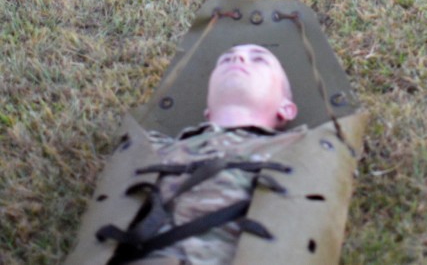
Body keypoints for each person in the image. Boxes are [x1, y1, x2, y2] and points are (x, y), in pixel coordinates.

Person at [93, 45, 303, 265]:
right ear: (207, 113)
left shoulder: (300, 149)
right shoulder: (148, 147)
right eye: (225, 58)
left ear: (286, 109)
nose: (238, 58)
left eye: (259, 59)